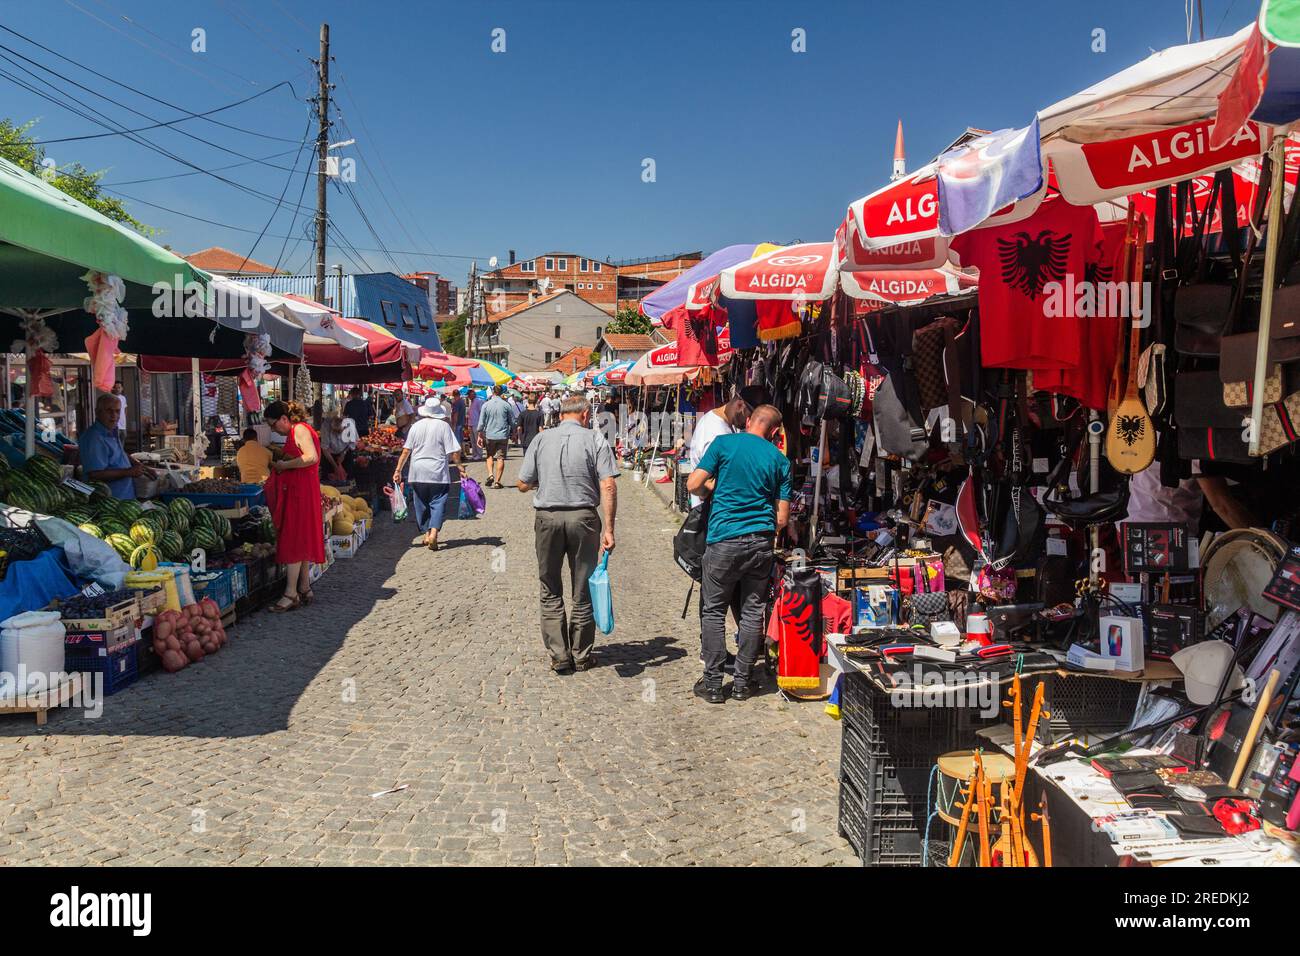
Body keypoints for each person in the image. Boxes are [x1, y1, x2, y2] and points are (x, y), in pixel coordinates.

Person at [686, 405, 791, 704]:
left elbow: (693, 483)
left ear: (747, 421)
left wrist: (714, 489)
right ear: (774, 432)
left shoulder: (724, 444)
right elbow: (782, 519)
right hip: (760, 544)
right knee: (751, 612)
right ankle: (743, 683)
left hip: (723, 540)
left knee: (714, 611)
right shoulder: (779, 460)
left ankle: (714, 684)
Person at [518, 394, 618, 675]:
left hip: (547, 519)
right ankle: (582, 654)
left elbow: (522, 484)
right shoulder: (595, 439)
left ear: (561, 415)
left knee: (549, 587)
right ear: (586, 415)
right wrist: (609, 528)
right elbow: (608, 485)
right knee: (582, 587)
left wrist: (544, 478)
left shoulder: (540, 440)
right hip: (583, 519)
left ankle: (560, 655)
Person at [263, 400, 326, 612]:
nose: (273, 429)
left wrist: (284, 465)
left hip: (300, 492)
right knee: (302, 537)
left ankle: (291, 593)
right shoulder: (300, 429)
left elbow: (311, 457)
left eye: (273, 424)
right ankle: (304, 587)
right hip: (303, 490)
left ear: (284, 419)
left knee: (294, 539)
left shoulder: (299, 429)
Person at [391, 397, 462, 550]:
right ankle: (433, 533)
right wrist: (460, 468)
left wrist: (398, 470)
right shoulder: (444, 427)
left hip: (418, 472)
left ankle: (426, 533)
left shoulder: (415, 427)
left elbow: (406, 451)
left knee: (421, 504)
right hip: (438, 473)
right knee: (438, 503)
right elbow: (454, 452)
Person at [687, 389, 754, 508]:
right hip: (712, 511)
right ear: (739, 405)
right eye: (748, 417)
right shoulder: (715, 431)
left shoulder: (720, 421)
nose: (748, 423)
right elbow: (705, 481)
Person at [79, 393, 145, 499]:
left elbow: (119, 453)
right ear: (97, 412)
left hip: (125, 499)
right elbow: (95, 475)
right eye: (109, 411)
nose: (114, 415)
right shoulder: (93, 438)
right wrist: (128, 472)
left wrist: (138, 465)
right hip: (110, 503)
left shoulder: (112, 430)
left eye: (117, 411)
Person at [477, 384, 517, 489]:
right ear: (501, 393)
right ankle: (497, 481)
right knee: (500, 458)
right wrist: (514, 433)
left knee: (489, 455)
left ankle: (490, 474)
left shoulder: (486, 405)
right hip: (503, 435)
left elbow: (481, 422)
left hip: (489, 434)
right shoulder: (506, 405)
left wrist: (479, 434)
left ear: (493, 392)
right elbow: (512, 422)